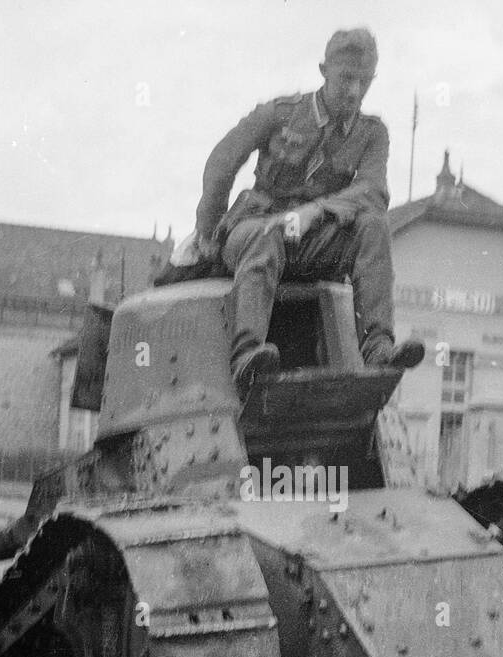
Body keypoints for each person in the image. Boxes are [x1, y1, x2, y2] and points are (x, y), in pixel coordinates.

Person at [180, 27, 424, 396]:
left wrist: (315, 211)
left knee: (373, 226)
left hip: (311, 241)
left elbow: (373, 191)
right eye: (346, 79)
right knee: (266, 237)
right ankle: (247, 356)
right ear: (324, 70)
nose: (354, 91)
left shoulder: (372, 133)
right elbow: (221, 162)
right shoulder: (279, 114)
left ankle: (377, 349)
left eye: (364, 81)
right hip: (253, 229)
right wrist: (207, 232)